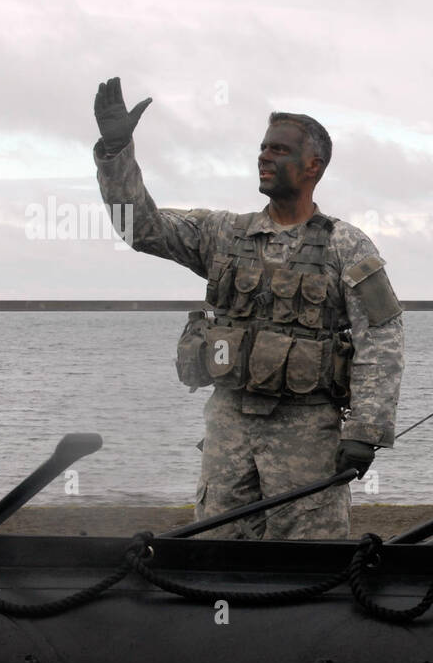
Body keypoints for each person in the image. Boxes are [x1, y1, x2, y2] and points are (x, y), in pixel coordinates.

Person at [92, 77, 403, 540]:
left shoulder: (347, 245)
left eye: (280, 150)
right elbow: (141, 228)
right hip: (229, 427)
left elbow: (381, 338)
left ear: (313, 166)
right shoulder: (222, 234)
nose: (265, 156)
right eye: (263, 148)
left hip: (306, 430)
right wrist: (117, 150)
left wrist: (366, 430)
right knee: (217, 546)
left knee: (308, 554)